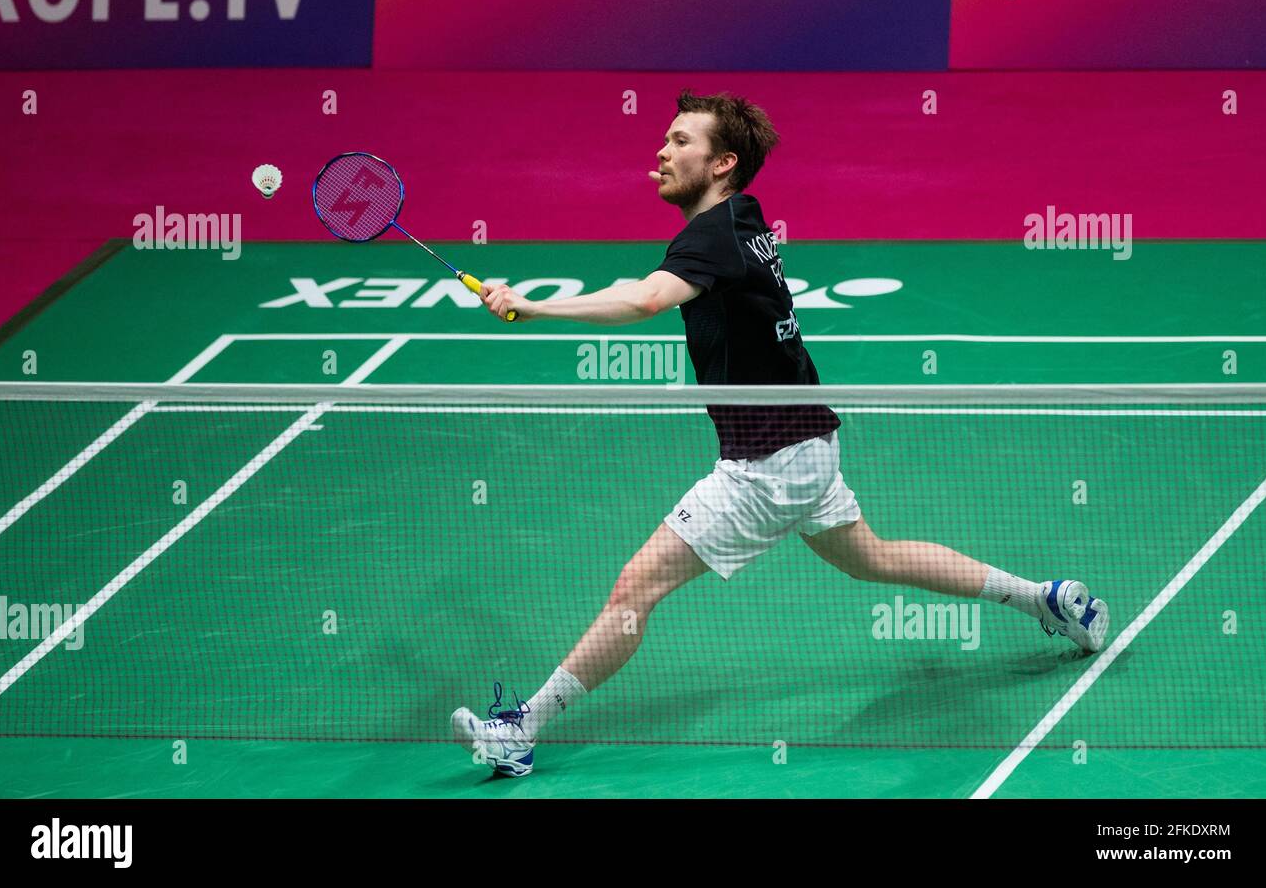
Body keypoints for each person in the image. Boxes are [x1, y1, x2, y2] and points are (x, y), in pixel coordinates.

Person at [453, 90, 1110, 778]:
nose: (662, 150)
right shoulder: (744, 218)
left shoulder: (709, 238)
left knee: (633, 591)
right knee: (871, 558)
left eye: (681, 141)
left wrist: (530, 305)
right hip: (810, 444)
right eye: (665, 138)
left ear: (722, 162)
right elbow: (658, 282)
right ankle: (1043, 597)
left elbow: (646, 299)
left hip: (765, 464)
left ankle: (521, 729)